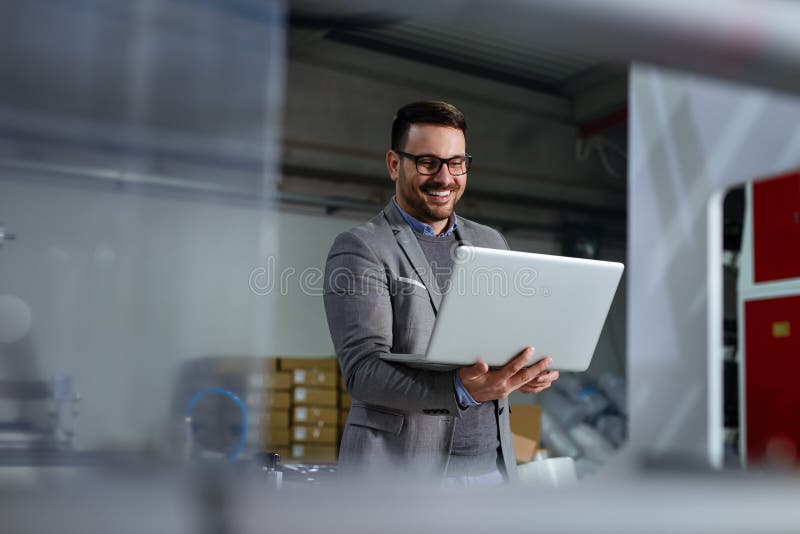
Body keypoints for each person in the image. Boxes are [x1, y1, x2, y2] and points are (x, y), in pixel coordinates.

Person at [323, 101, 559, 485]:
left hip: (490, 472)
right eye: (428, 162)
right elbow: (363, 372)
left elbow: (496, 342)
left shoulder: (490, 242)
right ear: (394, 164)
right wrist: (459, 389)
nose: (445, 178)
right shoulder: (362, 247)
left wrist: (519, 371)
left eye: (456, 162)